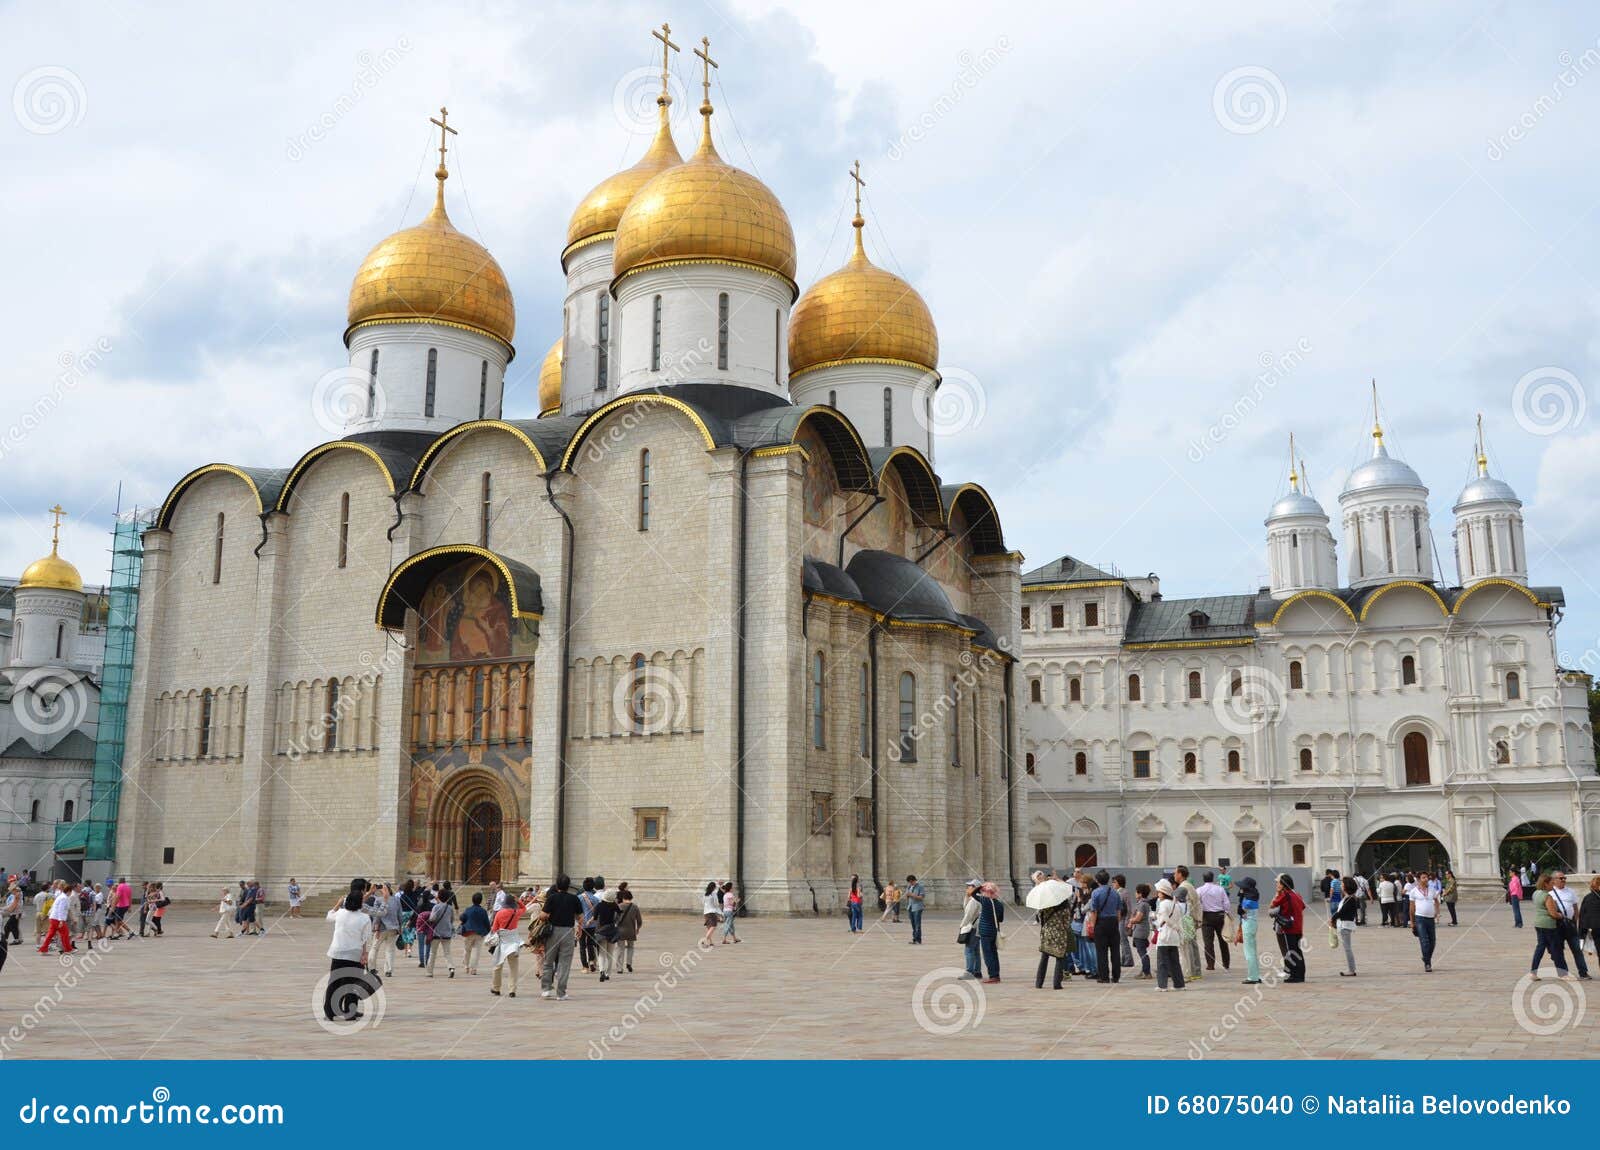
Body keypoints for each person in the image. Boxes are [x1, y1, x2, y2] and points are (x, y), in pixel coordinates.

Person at [324, 888, 375, 1022]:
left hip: (338, 952)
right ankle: (349, 1012)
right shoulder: (365, 918)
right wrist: (365, 954)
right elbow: (366, 938)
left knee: (334, 983)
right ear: (360, 903)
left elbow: (329, 916)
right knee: (352, 984)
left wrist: (338, 903)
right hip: (354, 954)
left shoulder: (340, 913)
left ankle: (329, 1012)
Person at [538, 874, 583, 1000]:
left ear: (557, 885)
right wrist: (579, 927)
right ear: (568, 886)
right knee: (564, 963)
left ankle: (546, 989)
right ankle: (561, 993)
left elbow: (542, 916)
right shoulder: (574, 898)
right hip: (568, 932)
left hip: (553, 931)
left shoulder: (552, 898)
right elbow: (580, 917)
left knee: (548, 961)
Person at [1547, 871, 1591, 979]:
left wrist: (1575, 920)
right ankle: (1563, 973)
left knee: (1577, 949)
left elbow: (1575, 907)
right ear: (1554, 880)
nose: (1563, 880)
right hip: (1557, 925)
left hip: (1570, 924)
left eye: (1564, 878)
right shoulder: (1550, 893)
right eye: (1561, 878)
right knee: (1558, 950)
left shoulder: (1571, 891)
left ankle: (1583, 972)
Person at [1033, 873, 1072, 989]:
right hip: (1060, 933)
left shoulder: (1044, 904)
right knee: (1060, 958)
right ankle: (1057, 984)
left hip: (1047, 933)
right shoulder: (1064, 904)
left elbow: (1040, 918)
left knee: (1044, 958)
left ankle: (1039, 983)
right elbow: (1067, 921)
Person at [1270, 873, 1306, 983]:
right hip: (1298, 926)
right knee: (1297, 951)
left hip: (1289, 927)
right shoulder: (1297, 894)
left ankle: (1294, 975)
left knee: (1291, 951)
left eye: (1279, 883)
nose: (1277, 885)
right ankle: (1300, 974)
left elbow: (1272, 905)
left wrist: (1277, 893)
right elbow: (1303, 906)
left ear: (1283, 884)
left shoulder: (1285, 895)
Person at [489, 893, 524, 998]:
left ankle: (496, 988)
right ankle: (512, 990)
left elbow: (494, 929)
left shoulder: (500, 913)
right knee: (514, 967)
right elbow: (524, 908)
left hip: (502, 942)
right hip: (513, 942)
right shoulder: (516, 912)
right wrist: (518, 901)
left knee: (497, 966)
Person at [1152, 879, 1185, 991]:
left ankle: (1162, 985)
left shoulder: (1163, 904)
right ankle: (1179, 985)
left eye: (1159, 892)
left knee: (1162, 962)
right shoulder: (1176, 905)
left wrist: (1171, 925)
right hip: (1174, 937)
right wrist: (1179, 931)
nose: (1158, 894)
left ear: (1163, 892)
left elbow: (1164, 918)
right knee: (1175, 963)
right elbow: (1179, 921)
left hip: (1164, 936)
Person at [1196, 871, 1231, 972]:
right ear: (1213, 878)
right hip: (1219, 916)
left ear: (1203, 879)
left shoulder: (1199, 890)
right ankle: (1226, 963)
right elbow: (1226, 903)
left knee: (1208, 942)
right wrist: (1226, 912)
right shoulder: (1220, 889)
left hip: (1206, 916)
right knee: (1223, 940)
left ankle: (1210, 964)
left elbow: (1197, 903)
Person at [1406, 869, 1439, 973]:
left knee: (1432, 941)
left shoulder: (1432, 890)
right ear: (1418, 879)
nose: (1426, 879)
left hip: (1430, 919)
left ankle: (1426, 957)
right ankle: (1427, 963)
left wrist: (1437, 912)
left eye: (1427, 877)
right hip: (1420, 918)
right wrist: (1412, 922)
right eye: (1423, 877)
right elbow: (1411, 908)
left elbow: (1436, 901)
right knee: (1424, 941)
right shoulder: (1413, 891)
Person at [1174, 866, 1202, 981]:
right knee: (1192, 945)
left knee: (1188, 946)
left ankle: (1191, 971)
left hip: (1187, 920)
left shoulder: (1184, 887)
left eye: (1175, 873)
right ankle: (1196, 971)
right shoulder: (1188, 885)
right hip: (1191, 919)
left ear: (1180, 874)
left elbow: (1187, 905)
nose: (1174, 875)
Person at [974, 880, 1004, 983]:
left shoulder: (985, 901)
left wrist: (980, 886)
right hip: (994, 931)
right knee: (994, 953)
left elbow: (972, 894)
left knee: (987, 954)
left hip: (985, 932)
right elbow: (1001, 919)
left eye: (983, 891)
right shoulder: (999, 904)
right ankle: (996, 975)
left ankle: (993, 976)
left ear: (987, 892)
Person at [1235, 876, 1262, 984]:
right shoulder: (1252, 897)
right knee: (1252, 951)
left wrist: (1241, 897)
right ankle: (1256, 975)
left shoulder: (1248, 900)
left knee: (1249, 952)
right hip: (1251, 924)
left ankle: (1252, 977)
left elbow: (1240, 910)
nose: (1240, 889)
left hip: (1248, 925)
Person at [426, 885, 458, 978]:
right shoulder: (450, 907)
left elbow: (432, 918)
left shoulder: (436, 907)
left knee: (433, 953)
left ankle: (429, 972)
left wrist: (428, 919)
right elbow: (452, 920)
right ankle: (451, 968)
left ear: (439, 896)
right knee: (447, 953)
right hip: (447, 933)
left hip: (436, 933)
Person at [459, 892, 491, 976]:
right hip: (479, 933)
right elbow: (487, 923)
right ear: (481, 901)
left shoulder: (468, 909)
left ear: (472, 900)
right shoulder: (483, 911)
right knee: (476, 951)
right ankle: (473, 969)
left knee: (467, 950)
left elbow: (462, 918)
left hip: (468, 932)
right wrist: (488, 931)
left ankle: (466, 966)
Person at [38, 882, 74, 954]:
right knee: (65, 933)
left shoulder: (61, 897)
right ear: (69, 891)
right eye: (71, 892)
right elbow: (61, 909)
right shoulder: (64, 898)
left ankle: (43, 949)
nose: (71, 893)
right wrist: (61, 920)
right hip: (58, 919)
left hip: (54, 918)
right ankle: (68, 949)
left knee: (50, 934)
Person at [594, 887, 621, 979]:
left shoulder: (599, 905)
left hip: (601, 931)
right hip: (612, 930)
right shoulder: (614, 905)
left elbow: (595, 917)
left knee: (601, 953)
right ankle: (608, 974)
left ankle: (601, 971)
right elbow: (619, 914)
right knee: (610, 954)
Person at [958, 879, 982, 979]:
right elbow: (965, 907)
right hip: (977, 927)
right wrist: (967, 896)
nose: (967, 888)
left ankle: (969, 972)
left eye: (969, 886)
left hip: (972, 927)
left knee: (969, 950)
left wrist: (961, 925)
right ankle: (977, 971)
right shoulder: (978, 898)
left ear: (975, 888)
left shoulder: (974, 901)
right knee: (975, 950)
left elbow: (968, 915)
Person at [615, 887, 642, 974]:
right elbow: (639, 920)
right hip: (631, 931)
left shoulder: (619, 906)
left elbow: (614, 918)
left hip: (620, 931)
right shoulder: (635, 907)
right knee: (630, 947)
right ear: (631, 898)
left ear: (623, 898)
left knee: (620, 948)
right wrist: (637, 928)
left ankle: (619, 968)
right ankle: (629, 963)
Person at [1128, 882, 1153, 978]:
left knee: (1142, 952)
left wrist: (1131, 920)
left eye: (1136, 892)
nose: (1135, 894)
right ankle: (1144, 970)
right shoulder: (1144, 903)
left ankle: (1147, 972)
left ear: (1140, 894)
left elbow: (1138, 918)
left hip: (1140, 930)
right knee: (1142, 950)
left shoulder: (1142, 904)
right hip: (1142, 929)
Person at [577, 878, 600, 973]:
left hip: (581, 924)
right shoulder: (596, 899)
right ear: (593, 887)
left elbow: (576, 912)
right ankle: (591, 962)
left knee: (582, 945)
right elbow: (597, 913)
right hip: (592, 924)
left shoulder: (579, 898)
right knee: (590, 944)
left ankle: (585, 967)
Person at [1578, 876, 1600, 965]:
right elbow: (1583, 916)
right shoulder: (1588, 898)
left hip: (1594, 930)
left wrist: (1581, 933)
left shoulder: (1587, 898)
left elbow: (1582, 916)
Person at [701, 881, 722, 949]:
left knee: (709, 927)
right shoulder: (714, 893)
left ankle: (710, 943)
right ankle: (705, 940)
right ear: (714, 887)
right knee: (713, 926)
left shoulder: (705, 894)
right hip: (712, 912)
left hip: (705, 912)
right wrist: (719, 911)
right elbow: (716, 903)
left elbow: (703, 902)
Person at [905, 875, 925, 944]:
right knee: (913, 924)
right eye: (909, 882)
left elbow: (921, 897)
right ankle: (914, 939)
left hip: (917, 907)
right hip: (910, 907)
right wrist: (907, 895)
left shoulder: (920, 887)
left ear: (914, 880)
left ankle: (918, 940)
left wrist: (912, 895)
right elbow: (907, 897)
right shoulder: (909, 887)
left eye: (911, 882)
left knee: (917, 924)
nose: (910, 883)